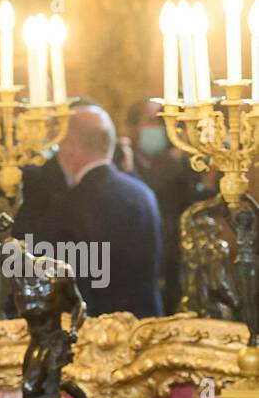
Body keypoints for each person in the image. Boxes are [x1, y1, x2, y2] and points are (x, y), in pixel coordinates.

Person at [10, 103, 164, 317]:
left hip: (101, 335)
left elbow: (56, 284)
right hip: (148, 324)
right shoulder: (143, 193)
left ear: (70, 146)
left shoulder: (68, 206)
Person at [122, 97, 216, 311]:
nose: (160, 129)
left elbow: (199, 203)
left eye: (164, 122)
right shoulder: (122, 165)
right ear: (133, 128)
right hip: (138, 266)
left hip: (174, 264)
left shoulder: (179, 164)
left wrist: (208, 175)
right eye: (153, 121)